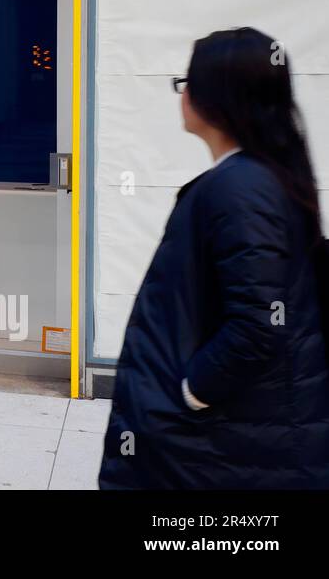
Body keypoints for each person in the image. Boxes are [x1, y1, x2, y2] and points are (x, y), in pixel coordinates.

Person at [101, 27, 329, 488]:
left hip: (215, 449)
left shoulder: (241, 187)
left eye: (186, 83)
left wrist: (190, 393)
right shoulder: (261, 178)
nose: (181, 95)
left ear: (215, 97)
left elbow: (257, 324)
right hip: (229, 444)